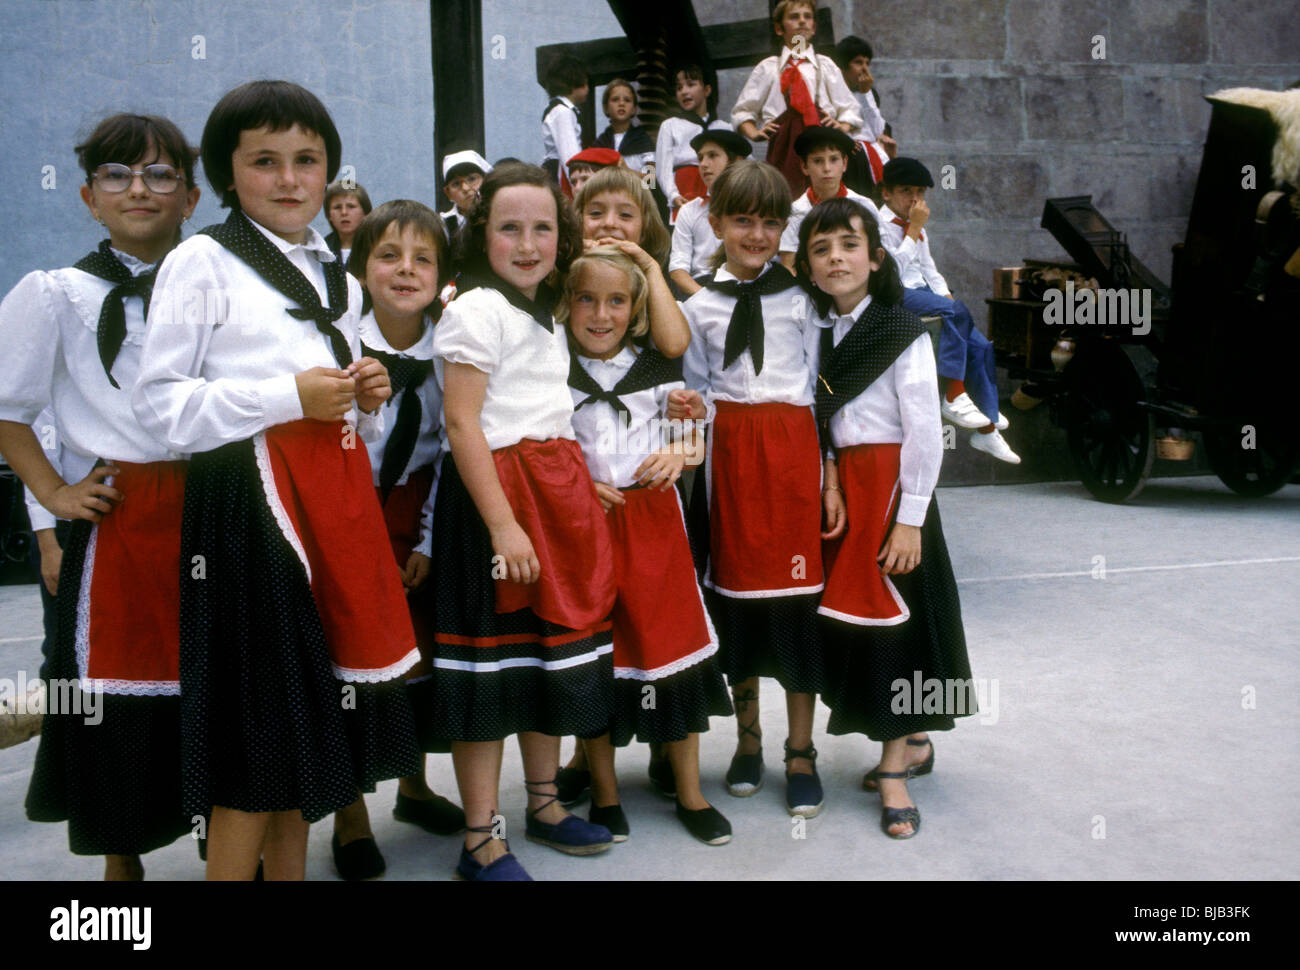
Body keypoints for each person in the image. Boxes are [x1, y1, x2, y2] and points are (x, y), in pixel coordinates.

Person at [132, 80, 422, 881]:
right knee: (257, 735)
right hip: (248, 515)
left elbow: (354, 428)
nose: (290, 180)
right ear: (229, 174)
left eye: (307, 160)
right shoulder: (202, 260)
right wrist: (283, 396)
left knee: (302, 733)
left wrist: (365, 398)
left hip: (330, 513)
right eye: (265, 162)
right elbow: (161, 410)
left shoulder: (339, 277)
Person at [0, 112, 200, 880]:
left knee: (215, 676)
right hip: (120, 516)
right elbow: (11, 410)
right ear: (88, 197)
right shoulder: (56, 294)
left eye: (159, 175)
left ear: (190, 196)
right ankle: (122, 860)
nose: (138, 190)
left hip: (212, 506)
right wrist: (52, 492)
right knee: (113, 687)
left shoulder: (214, 283)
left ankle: (232, 835)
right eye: (118, 176)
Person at [423, 162, 619, 881]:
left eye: (543, 227)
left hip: (553, 495)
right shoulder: (476, 308)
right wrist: (505, 527)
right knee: (488, 672)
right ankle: (480, 838)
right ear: (484, 234)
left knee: (546, 659)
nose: (528, 243)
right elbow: (463, 422)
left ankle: (543, 805)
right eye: (510, 228)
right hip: (494, 504)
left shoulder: (547, 309)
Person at [794, 196, 977, 838]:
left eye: (848, 245)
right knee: (860, 624)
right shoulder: (819, 333)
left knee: (899, 625)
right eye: (821, 249)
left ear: (875, 257)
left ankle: (894, 769)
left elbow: (925, 432)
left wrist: (910, 519)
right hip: (851, 491)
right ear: (810, 268)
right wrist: (832, 478)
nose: (836, 258)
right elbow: (822, 420)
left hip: (897, 495)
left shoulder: (901, 331)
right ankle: (914, 735)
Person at [670, 160, 828, 819]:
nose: (758, 234)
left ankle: (800, 750)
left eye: (771, 222)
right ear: (716, 225)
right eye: (743, 221)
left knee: (795, 606)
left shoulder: (803, 299)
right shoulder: (697, 306)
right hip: (731, 460)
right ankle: (748, 738)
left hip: (791, 455)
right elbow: (699, 393)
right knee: (737, 602)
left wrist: (829, 473)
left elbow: (820, 392)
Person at [561, 245, 733, 845]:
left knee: (670, 650)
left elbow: (693, 444)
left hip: (654, 523)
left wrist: (680, 446)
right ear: (566, 303)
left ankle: (689, 791)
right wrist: (578, 483)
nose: (600, 314)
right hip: (584, 531)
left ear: (635, 310)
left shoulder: (657, 369)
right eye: (586, 298)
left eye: (616, 301)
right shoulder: (551, 371)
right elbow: (536, 449)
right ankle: (606, 796)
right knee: (594, 658)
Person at [322, 200, 468, 880]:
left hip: (414, 516)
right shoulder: (335, 341)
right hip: (344, 514)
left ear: (442, 275)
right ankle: (350, 816)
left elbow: (447, 453)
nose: (404, 269)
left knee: (417, 661)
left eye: (423, 258)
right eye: (388, 255)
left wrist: (432, 540)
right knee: (347, 664)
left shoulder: (449, 347)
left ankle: (413, 788)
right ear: (360, 266)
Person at [556, 163, 686, 806]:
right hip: (587, 507)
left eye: (625, 214)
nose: (609, 224)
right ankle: (590, 759)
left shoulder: (650, 309)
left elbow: (681, 372)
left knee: (659, 629)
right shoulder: (557, 306)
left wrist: (650, 273)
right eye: (594, 212)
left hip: (649, 503)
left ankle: (670, 758)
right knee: (589, 636)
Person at [875, 157, 1019, 463]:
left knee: (980, 344)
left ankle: (987, 427)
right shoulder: (878, 226)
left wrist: (947, 297)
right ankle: (953, 394)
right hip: (896, 292)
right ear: (886, 193)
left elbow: (930, 268)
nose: (914, 199)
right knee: (955, 314)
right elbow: (891, 273)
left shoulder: (918, 226)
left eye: (920, 192)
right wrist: (913, 229)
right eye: (905, 191)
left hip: (923, 290)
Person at [731, 0, 863, 197]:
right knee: (784, 197)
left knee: (824, 197)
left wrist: (841, 126)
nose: (802, 22)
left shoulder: (824, 65)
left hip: (821, 145)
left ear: (814, 27)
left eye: (807, 17)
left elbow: (850, 108)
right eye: (794, 17)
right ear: (779, 28)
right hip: (784, 147)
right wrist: (755, 132)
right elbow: (742, 110)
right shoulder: (769, 68)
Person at [778, 126, 879, 270]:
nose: (827, 168)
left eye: (833, 159)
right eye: (818, 161)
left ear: (844, 163)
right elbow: (789, 266)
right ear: (804, 166)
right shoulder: (795, 212)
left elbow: (877, 255)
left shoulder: (864, 205)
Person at [668, 128, 751, 297]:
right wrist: (706, 299)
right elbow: (678, 268)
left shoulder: (756, 209)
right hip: (701, 288)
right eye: (700, 158)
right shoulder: (689, 211)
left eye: (712, 156)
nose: (703, 164)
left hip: (747, 287)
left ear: (736, 162)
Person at [655, 64, 733, 223]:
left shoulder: (724, 128)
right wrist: (673, 195)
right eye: (679, 87)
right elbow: (663, 168)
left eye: (691, 84)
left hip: (719, 191)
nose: (684, 91)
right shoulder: (670, 125)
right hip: (685, 191)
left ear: (707, 90)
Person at [834, 35, 896, 198]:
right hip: (849, 160)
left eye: (867, 63)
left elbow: (877, 131)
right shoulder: (832, 94)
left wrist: (865, 93)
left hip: (872, 157)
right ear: (843, 67)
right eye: (858, 62)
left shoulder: (869, 93)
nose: (864, 69)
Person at [540, 53, 589, 195]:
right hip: (561, 173)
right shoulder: (562, 112)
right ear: (574, 84)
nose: (588, 89)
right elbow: (570, 154)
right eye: (585, 83)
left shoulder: (560, 110)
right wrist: (579, 185)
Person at [594, 78, 655, 178]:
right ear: (606, 108)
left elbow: (650, 179)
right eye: (615, 99)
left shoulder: (643, 140)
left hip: (635, 192)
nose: (621, 103)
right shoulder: (600, 143)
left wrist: (627, 171)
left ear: (634, 109)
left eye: (627, 100)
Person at [439, 150, 491, 237]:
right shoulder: (443, 226)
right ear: (448, 193)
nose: (465, 188)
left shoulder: (498, 216)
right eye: (456, 184)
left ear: (485, 180)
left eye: (472, 179)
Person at [323, 180, 372, 265]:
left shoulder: (375, 247)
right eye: (337, 207)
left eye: (351, 206)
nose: (344, 212)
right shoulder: (321, 250)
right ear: (329, 215)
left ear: (365, 213)